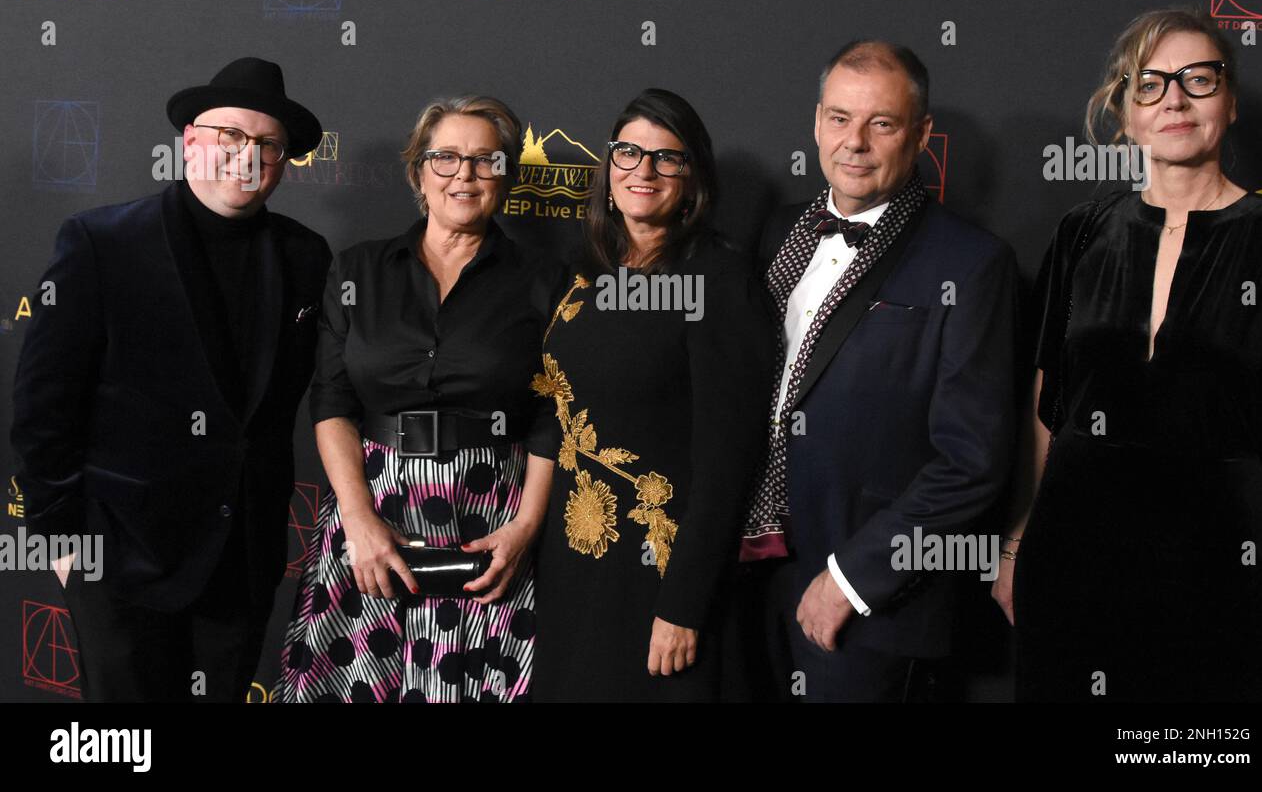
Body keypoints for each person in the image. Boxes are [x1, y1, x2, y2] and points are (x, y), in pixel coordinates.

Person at [996, 7, 1262, 702]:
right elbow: (1051, 401)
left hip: (1223, 557)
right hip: (1075, 543)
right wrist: (1022, 535)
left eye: (1198, 79)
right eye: (1152, 83)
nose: (1175, 99)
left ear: (1230, 101)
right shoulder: (1084, 230)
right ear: (1126, 111)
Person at [10, 57, 331, 702]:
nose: (247, 155)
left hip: (240, 557)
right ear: (189, 140)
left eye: (267, 144)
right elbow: (45, 404)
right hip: (120, 553)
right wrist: (61, 539)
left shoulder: (305, 256)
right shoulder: (103, 242)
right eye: (230, 136)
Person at [742, 40, 1018, 702]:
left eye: (882, 123)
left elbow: (972, 461)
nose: (855, 141)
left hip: (866, 600)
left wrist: (853, 578)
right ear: (816, 123)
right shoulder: (777, 232)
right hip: (749, 580)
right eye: (839, 118)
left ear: (922, 134)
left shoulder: (971, 264)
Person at [275, 96, 563, 703]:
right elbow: (331, 400)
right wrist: (357, 520)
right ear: (418, 173)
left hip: (490, 516)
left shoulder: (544, 280)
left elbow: (552, 415)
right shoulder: (357, 270)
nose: (465, 175)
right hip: (371, 507)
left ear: (506, 175)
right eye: (447, 158)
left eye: (486, 160)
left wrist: (526, 528)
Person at [527, 88, 774, 702]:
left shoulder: (718, 282)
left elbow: (728, 461)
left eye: (668, 158)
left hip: (659, 571)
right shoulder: (580, 273)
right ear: (608, 168)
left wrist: (685, 604)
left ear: (693, 180)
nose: (644, 171)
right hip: (572, 564)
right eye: (628, 152)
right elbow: (552, 409)